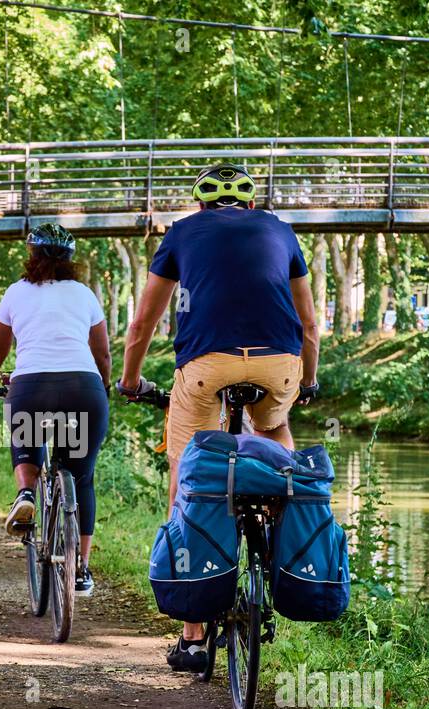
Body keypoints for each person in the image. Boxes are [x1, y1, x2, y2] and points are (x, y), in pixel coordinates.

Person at [116, 163, 320, 673]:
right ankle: (284, 529)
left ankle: (191, 634)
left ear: (201, 204)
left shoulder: (183, 233)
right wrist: (308, 382)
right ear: (250, 205)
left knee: (188, 471)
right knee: (274, 429)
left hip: (206, 367)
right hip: (278, 365)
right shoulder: (280, 229)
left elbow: (143, 323)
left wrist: (130, 381)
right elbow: (310, 324)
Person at [0, 224, 111, 596]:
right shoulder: (84, 294)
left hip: (31, 387)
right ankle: (82, 569)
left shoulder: (15, 293)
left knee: (29, 442)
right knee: (81, 478)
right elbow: (102, 353)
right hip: (82, 388)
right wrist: (102, 386)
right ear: (70, 260)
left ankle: (26, 495)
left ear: (31, 255)